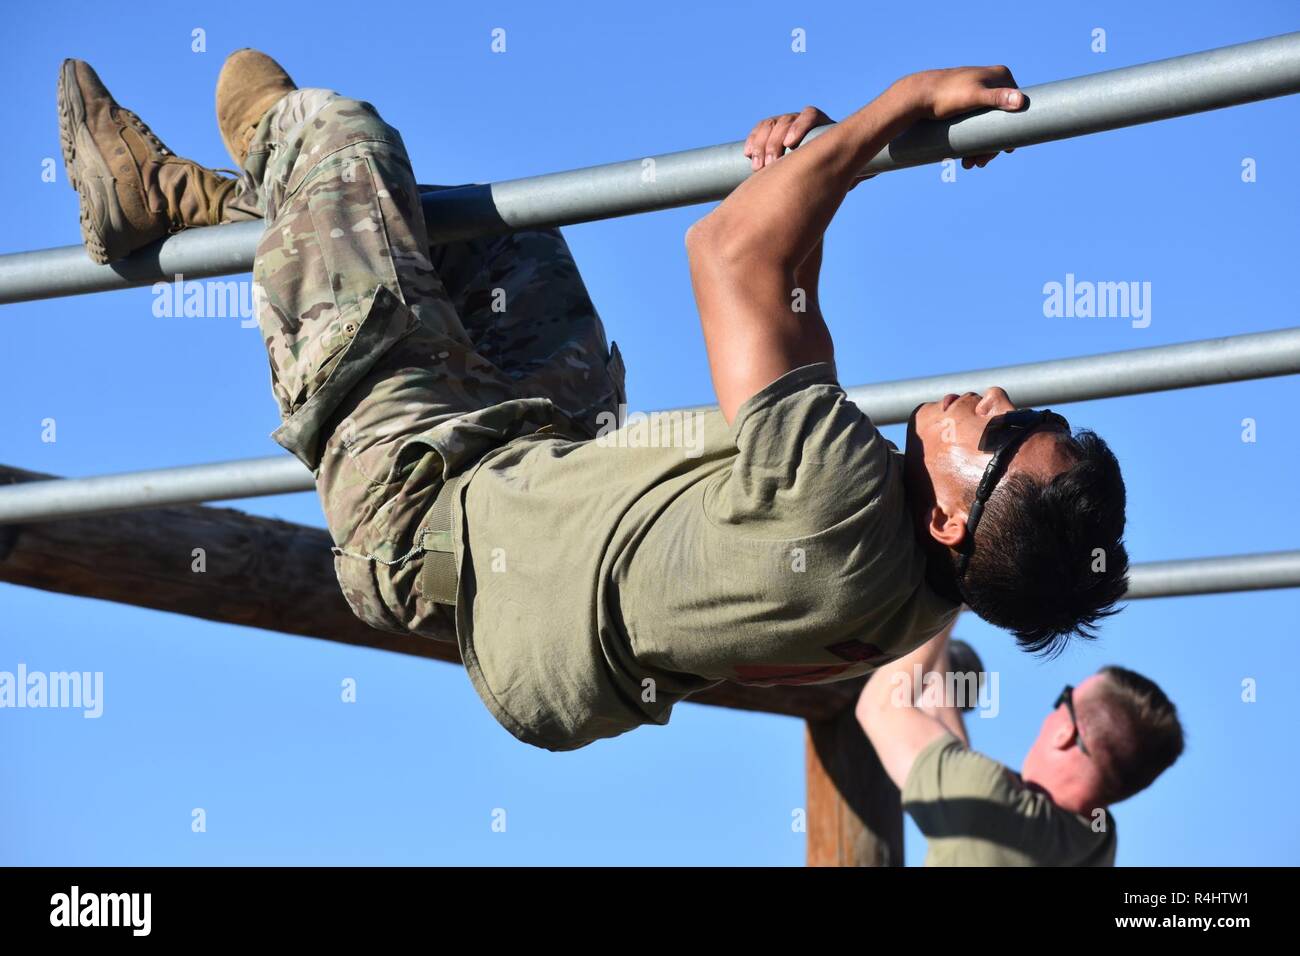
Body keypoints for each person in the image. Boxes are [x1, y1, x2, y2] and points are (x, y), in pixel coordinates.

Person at [56, 50, 1129, 751]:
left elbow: (725, 251)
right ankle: (214, 206)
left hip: (420, 502)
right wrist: (808, 178)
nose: (997, 395)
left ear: (951, 515)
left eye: (1009, 429)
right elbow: (781, 288)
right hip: (533, 474)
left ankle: (251, 180)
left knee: (332, 133)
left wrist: (889, 115)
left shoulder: (846, 507)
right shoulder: (935, 588)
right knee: (509, 249)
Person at [856, 619, 1184, 865]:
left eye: (1065, 698)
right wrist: (941, 646)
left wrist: (942, 595)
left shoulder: (990, 803)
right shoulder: (1096, 843)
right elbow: (952, 760)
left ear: (1065, 733)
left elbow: (881, 706)